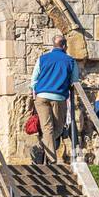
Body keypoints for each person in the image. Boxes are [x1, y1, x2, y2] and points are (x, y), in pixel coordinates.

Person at [30, 34, 79, 165]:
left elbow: (34, 79)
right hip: (58, 97)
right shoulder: (70, 61)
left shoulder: (42, 58)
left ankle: (39, 147)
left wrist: (35, 94)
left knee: (49, 129)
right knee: (55, 128)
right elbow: (75, 80)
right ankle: (52, 160)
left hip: (41, 96)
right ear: (64, 46)